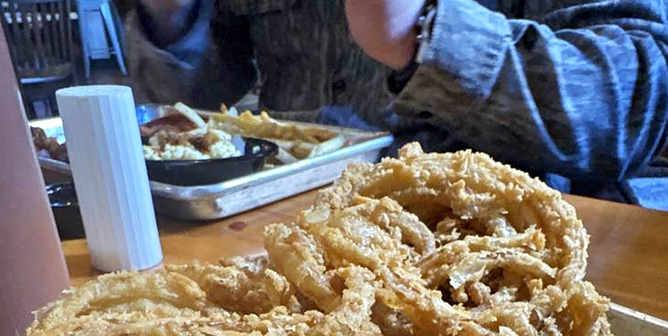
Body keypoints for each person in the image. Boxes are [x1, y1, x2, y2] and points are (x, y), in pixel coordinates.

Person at [126, 0, 668, 205]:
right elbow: (190, 106)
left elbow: (633, 109)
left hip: (495, 237)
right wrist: (172, 20)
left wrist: (423, 37)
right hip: (267, 228)